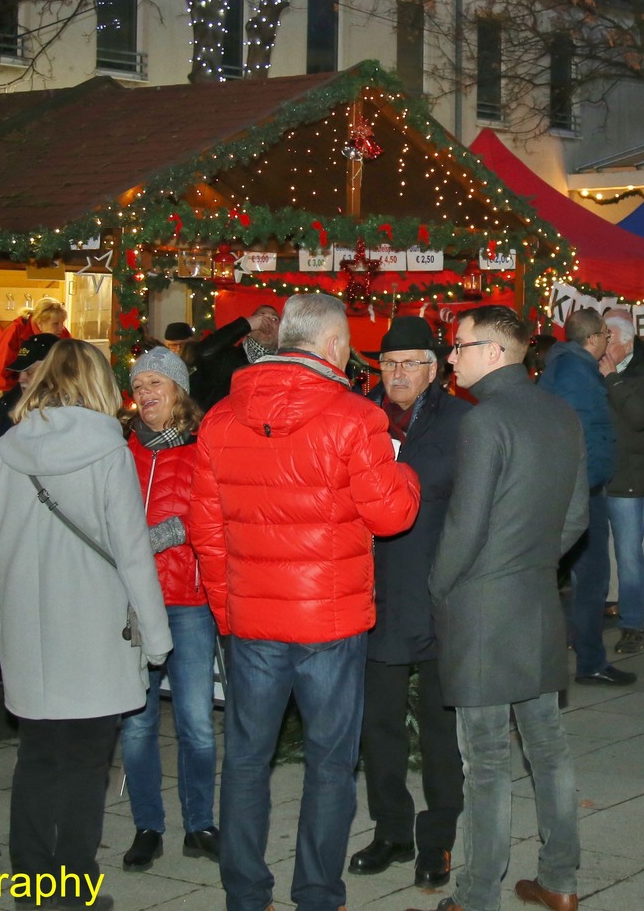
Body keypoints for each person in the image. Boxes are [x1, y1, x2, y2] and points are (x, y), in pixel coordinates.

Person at [190, 293, 420, 911]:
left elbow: (205, 529)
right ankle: (318, 893)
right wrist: (408, 473)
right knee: (329, 763)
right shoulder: (355, 418)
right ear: (335, 347)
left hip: (252, 621)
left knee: (244, 760)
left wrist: (227, 608)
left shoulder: (218, 419)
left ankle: (245, 891)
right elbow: (392, 513)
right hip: (330, 620)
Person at [0, 338, 169, 907]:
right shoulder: (109, 448)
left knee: (36, 761)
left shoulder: (8, 448)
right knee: (87, 767)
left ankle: (32, 884)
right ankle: (72, 887)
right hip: (94, 630)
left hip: (30, 629)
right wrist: (157, 637)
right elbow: (132, 551)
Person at [418, 305, 590, 911]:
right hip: (538, 596)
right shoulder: (560, 413)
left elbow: (465, 526)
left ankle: (475, 894)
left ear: (494, 352)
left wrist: (439, 585)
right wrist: (531, 561)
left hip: (482, 606)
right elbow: (576, 517)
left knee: (486, 760)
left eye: (459, 346)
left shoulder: (483, 420)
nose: (450, 356)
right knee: (548, 745)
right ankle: (561, 879)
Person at [349, 316, 469, 892]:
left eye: (409, 363)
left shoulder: (463, 423)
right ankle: (391, 828)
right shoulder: (358, 420)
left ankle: (438, 836)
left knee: (441, 728)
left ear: (434, 368)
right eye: (388, 363)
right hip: (372, 597)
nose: (396, 374)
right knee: (380, 725)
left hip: (441, 596)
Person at [116, 346, 221, 871]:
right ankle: (147, 826)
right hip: (135, 603)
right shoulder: (120, 448)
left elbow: (212, 513)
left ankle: (199, 824)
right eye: (139, 385)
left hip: (189, 603)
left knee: (197, 723)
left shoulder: (205, 446)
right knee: (135, 723)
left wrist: (162, 533)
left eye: (156, 382)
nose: (146, 392)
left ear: (177, 390)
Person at [540, 309, 629, 687]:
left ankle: (577, 656)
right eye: (606, 337)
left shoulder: (564, 368)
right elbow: (582, 437)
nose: (609, 343)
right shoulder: (577, 374)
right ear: (592, 339)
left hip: (570, 489)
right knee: (591, 579)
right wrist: (592, 483)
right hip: (581, 492)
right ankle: (590, 661)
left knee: (569, 576)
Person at [600, 311, 644, 657]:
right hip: (599, 476)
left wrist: (612, 379)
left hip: (630, 478)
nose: (602, 343)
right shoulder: (593, 372)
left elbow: (641, 418)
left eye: (607, 337)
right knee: (596, 553)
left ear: (625, 341)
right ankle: (590, 620)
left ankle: (632, 626)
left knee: (629, 554)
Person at [0, 332, 60, 456]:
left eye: (29, 372)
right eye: (18, 372)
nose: (21, 379)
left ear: (53, 371)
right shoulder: (6, 405)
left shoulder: (72, 410)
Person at [0, 298, 71, 391]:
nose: (61, 328)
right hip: (14, 387)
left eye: (62, 323)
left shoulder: (62, 333)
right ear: (40, 323)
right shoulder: (16, 330)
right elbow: (2, 367)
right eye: (55, 324)